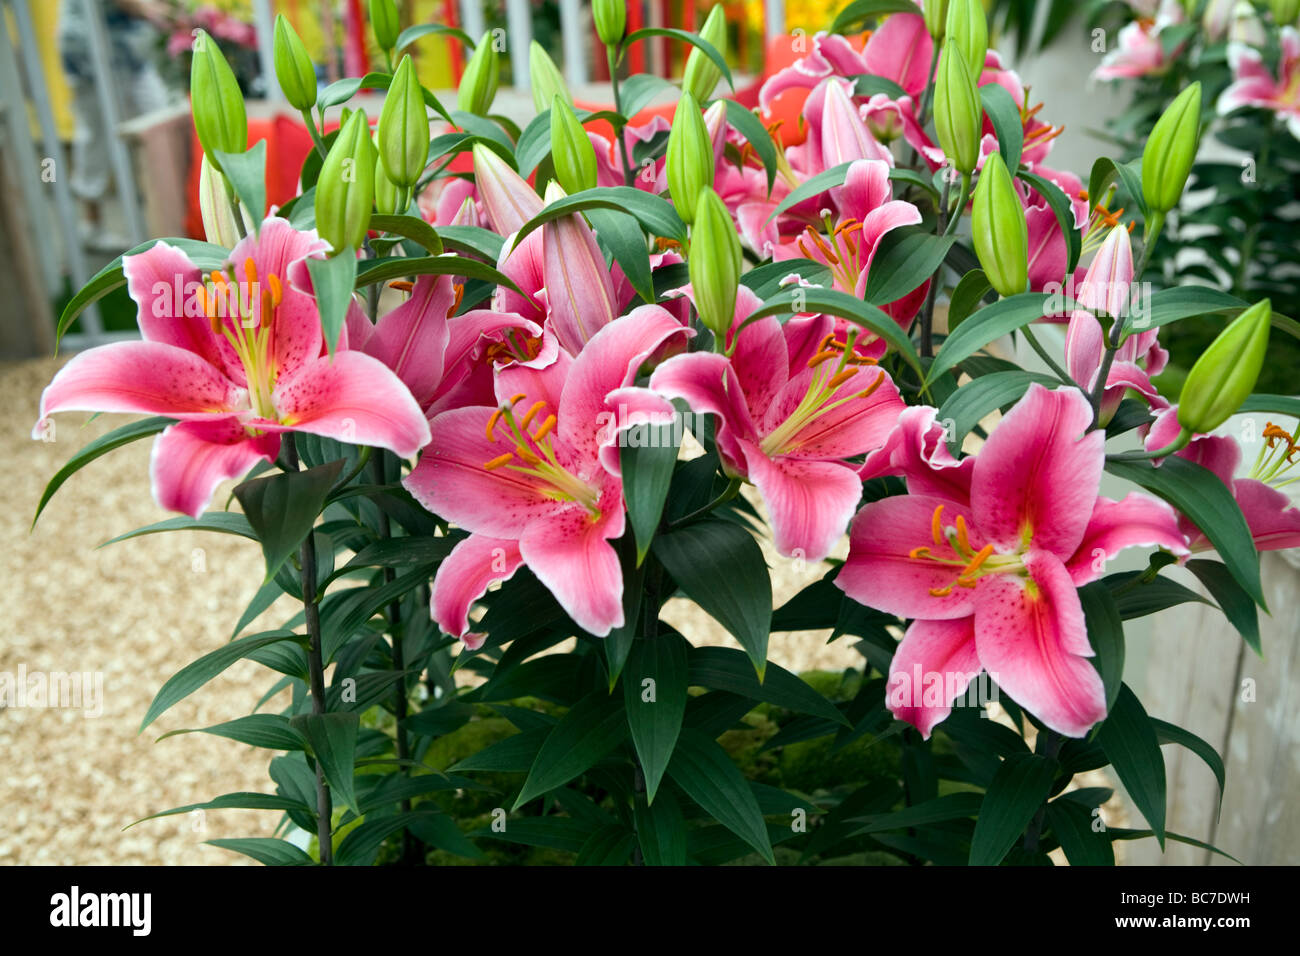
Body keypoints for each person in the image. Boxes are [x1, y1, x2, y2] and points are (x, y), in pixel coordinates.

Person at [57, 0, 172, 251]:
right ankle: (92, 226)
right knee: (96, 139)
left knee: (162, 119)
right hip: (89, 52)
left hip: (129, 52)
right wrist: (164, 13)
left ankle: (168, 218)